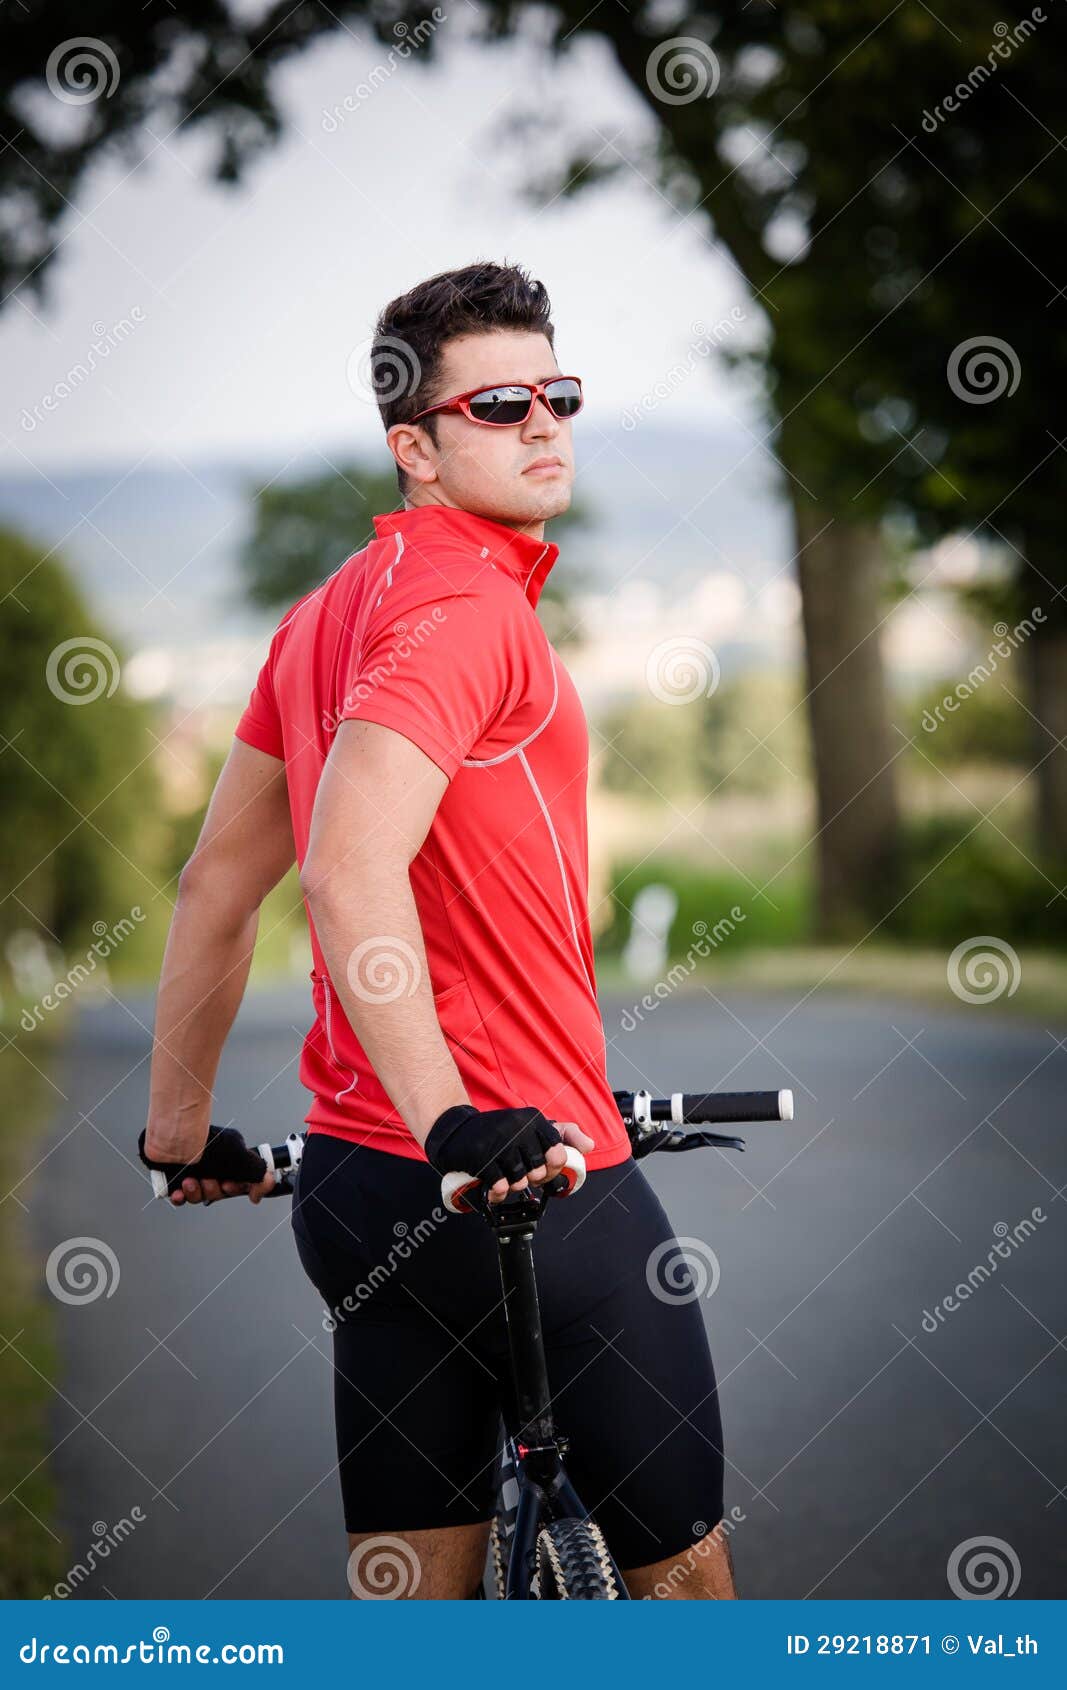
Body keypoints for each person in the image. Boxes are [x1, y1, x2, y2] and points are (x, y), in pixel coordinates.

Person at [141, 260, 736, 1600]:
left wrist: (179, 1136)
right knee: (692, 1597)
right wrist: (456, 1125)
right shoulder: (469, 610)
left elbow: (213, 893)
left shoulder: (321, 619)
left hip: (357, 1196)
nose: (545, 425)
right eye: (503, 403)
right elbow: (349, 869)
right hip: (514, 1168)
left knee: (411, 1610)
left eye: (561, 395)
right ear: (413, 446)